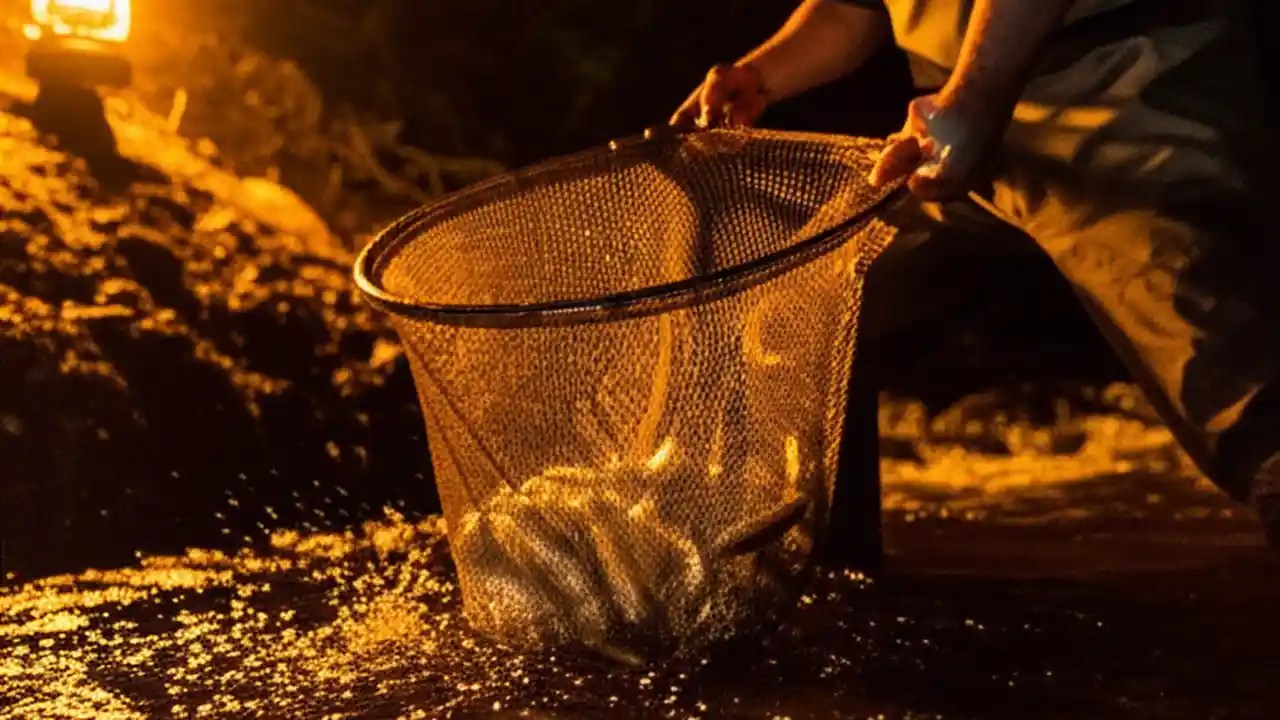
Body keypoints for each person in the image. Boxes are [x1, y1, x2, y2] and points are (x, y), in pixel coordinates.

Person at [670, 0, 1280, 562]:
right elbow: (852, 11)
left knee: (1226, 380)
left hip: (1129, 85)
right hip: (948, 120)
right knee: (801, 320)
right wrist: (760, 76)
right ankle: (834, 605)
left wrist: (978, 99)